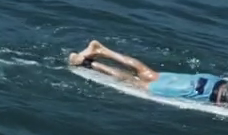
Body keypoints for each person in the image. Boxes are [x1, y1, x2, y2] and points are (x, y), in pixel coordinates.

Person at [69, 40, 227, 105]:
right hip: (198, 91)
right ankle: (86, 63)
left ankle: (101, 50)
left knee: (147, 73)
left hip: (209, 81)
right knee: (135, 83)